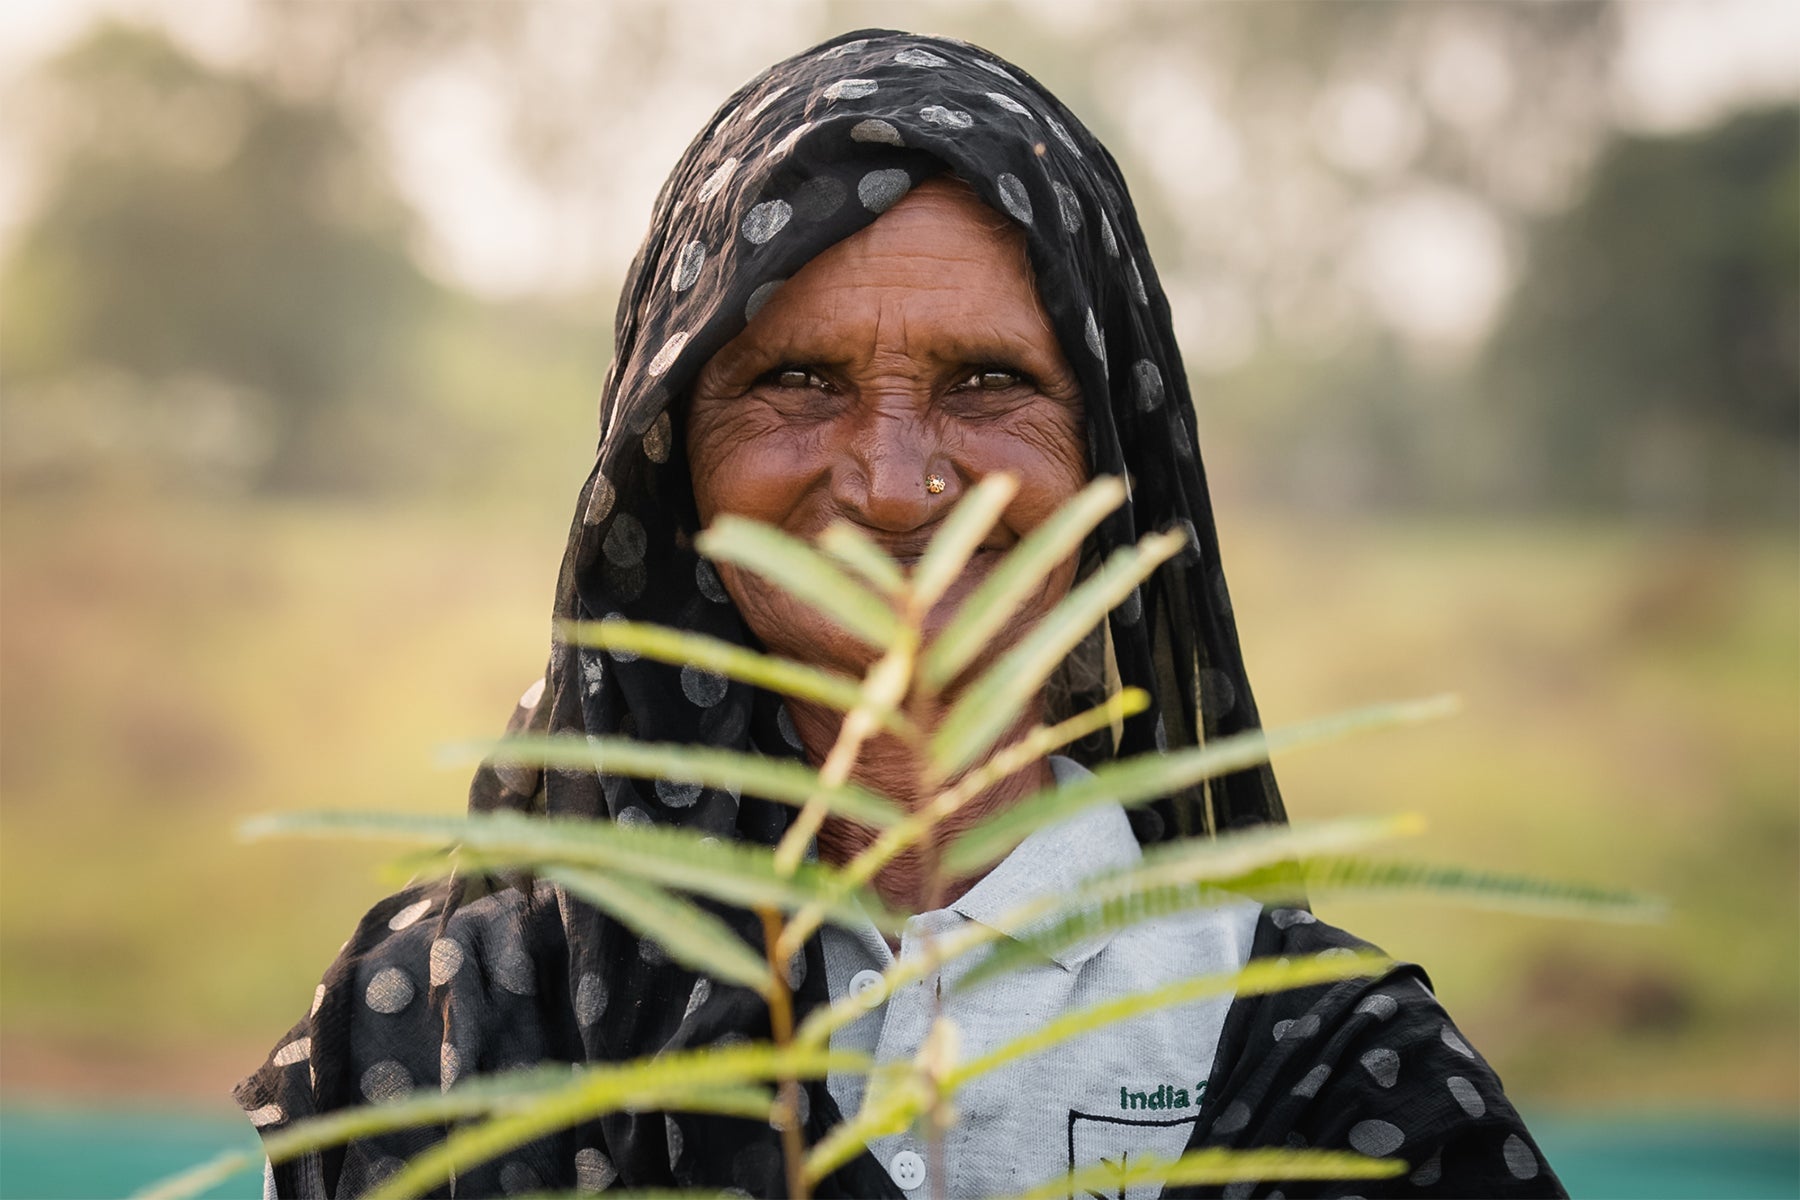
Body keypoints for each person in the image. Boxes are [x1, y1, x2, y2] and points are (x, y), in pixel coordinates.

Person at [237, 30, 1564, 1199]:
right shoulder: (457, 1031)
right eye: (799, 380)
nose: (892, 482)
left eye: (989, 381)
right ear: (671, 463)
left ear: (1110, 465)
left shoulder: (1332, 1074)